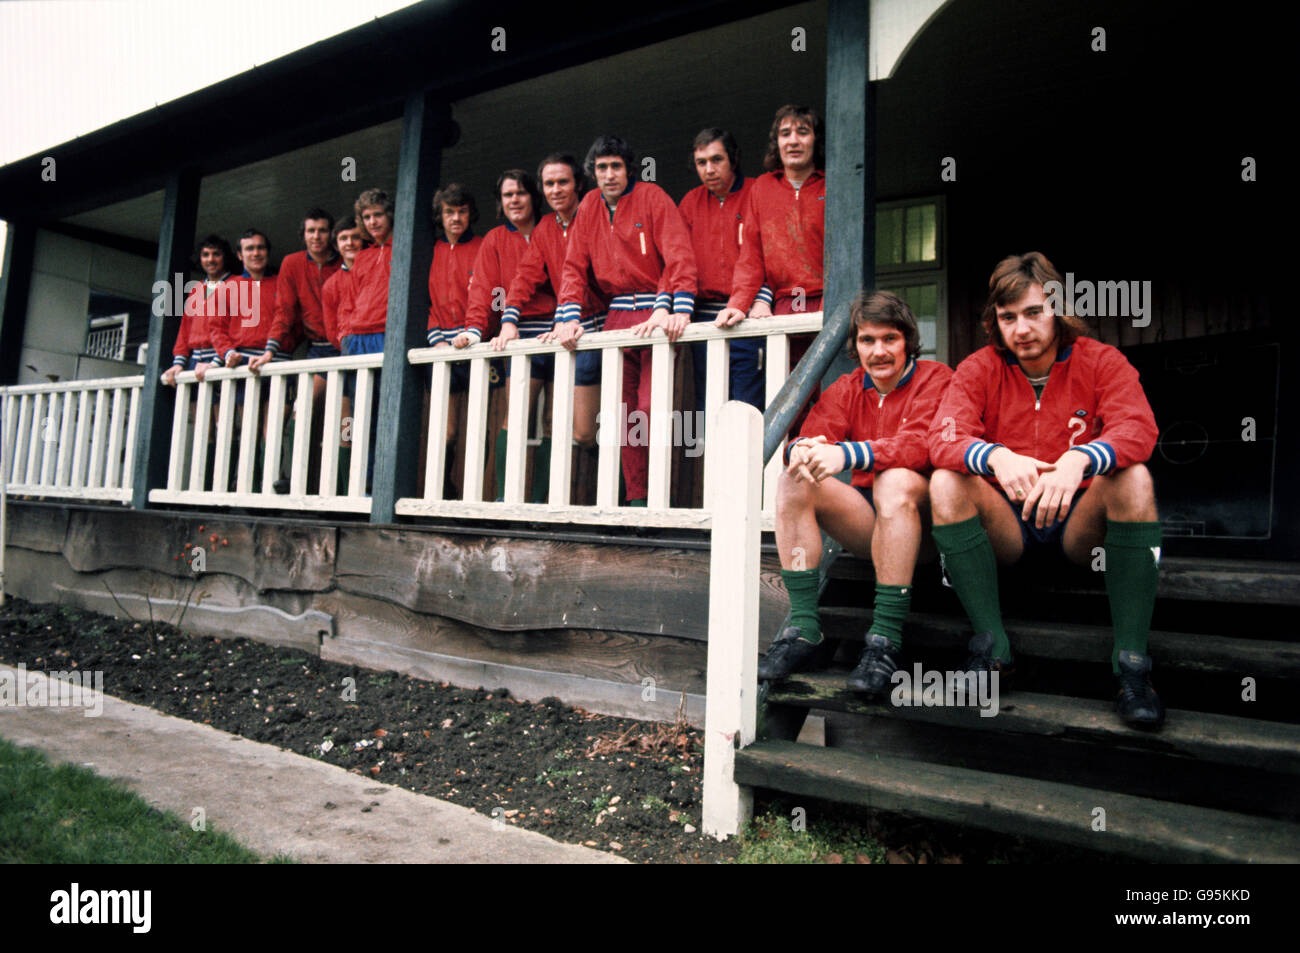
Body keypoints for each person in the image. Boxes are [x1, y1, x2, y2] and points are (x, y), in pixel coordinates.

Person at [927, 251, 1165, 729]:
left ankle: (1131, 666)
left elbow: (1138, 429)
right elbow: (942, 438)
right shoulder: (980, 367)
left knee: (1135, 476)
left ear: (1059, 309)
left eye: (1035, 312)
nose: (1021, 329)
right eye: (1008, 316)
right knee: (946, 481)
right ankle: (994, 650)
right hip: (1008, 530)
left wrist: (1081, 459)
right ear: (995, 320)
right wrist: (994, 455)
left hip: (1081, 531)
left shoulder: (1101, 360)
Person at [763, 291, 952, 696]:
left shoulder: (937, 379)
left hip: (926, 527)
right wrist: (804, 449)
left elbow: (923, 445)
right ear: (856, 346)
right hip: (871, 524)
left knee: (895, 479)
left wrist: (848, 453)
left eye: (890, 339)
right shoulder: (848, 388)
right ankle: (804, 631)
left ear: (908, 341)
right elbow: (812, 436)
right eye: (868, 340)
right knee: (794, 478)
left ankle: (884, 641)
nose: (878, 351)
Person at [556, 135, 697, 506]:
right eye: (601, 168)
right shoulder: (588, 205)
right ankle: (637, 500)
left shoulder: (652, 197)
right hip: (616, 317)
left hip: (656, 312)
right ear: (593, 173)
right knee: (623, 415)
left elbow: (677, 255)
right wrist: (570, 318)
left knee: (650, 409)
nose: (609, 174)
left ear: (628, 169)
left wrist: (678, 307)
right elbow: (573, 266)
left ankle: (660, 500)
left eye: (615, 166)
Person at [461, 171, 555, 502]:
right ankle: (505, 498)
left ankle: (546, 500)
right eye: (507, 195)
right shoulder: (496, 239)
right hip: (516, 330)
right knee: (515, 415)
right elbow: (483, 288)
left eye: (521, 193)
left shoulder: (553, 228)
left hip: (559, 328)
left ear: (534, 197)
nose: (514, 200)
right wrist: (475, 329)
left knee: (555, 418)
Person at [513, 153, 604, 454]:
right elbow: (525, 277)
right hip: (572, 331)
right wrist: (508, 320)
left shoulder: (595, 214)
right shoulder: (544, 228)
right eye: (549, 183)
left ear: (578, 183)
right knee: (584, 432)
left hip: (608, 323)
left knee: (626, 422)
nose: (556, 190)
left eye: (563, 182)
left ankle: (627, 493)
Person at [678, 128, 759, 413]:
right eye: (702, 162)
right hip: (705, 316)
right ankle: (713, 460)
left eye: (717, 159)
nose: (709, 169)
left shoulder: (757, 191)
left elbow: (769, 254)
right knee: (709, 402)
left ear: (733, 159)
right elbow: (678, 261)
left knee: (747, 402)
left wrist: (761, 300)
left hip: (748, 313)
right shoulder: (690, 202)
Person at [425, 183, 485, 493]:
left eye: (462, 211)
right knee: (446, 431)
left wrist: (475, 331)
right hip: (440, 346)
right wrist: (436, 338)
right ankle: (444, 489)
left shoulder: (483, 246)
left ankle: (475, 492)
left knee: (478, 426)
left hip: (476, 342)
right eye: (449, 212)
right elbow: (421, 301)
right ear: (441, 215)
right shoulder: (429, 251)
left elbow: (491, 293)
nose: (456, 218)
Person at [162, 234, 237, 386]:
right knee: (193, 406)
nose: (210, 259)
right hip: (194, 360)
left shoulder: (236, 285)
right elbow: (185, 330)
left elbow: (238, 330)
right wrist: (179, 363)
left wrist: (218, 360)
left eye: (216, 254)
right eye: (205, 255)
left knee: (218, 408)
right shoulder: (196, 289)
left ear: (225, 257)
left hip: (222, 359)